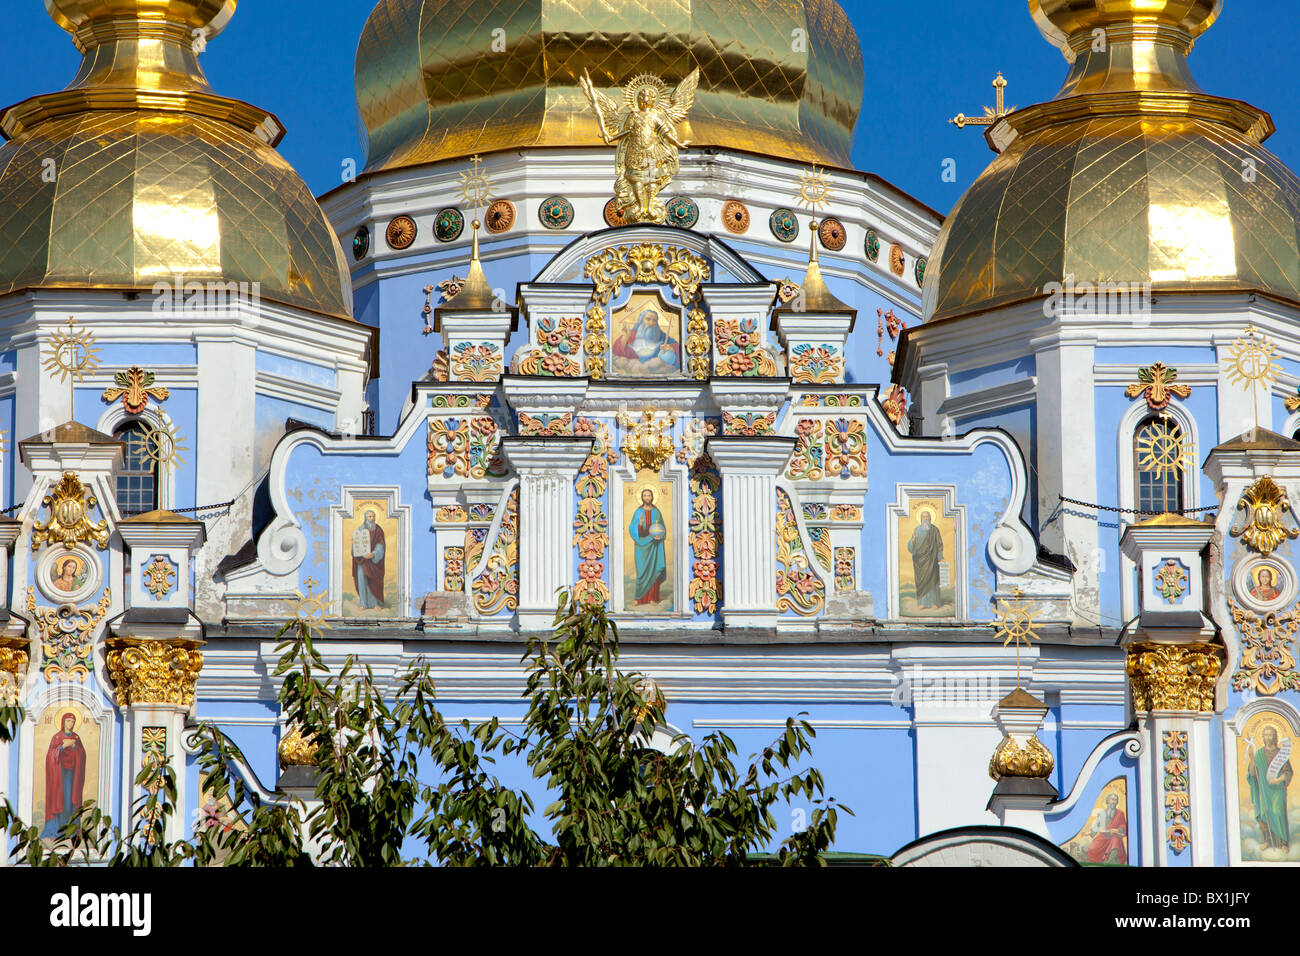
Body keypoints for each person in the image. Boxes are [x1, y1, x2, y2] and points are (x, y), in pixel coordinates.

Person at [41, 712, 87, 839]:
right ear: (63, 722)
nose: (70, 724)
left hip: (73, 776)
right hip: (59, 777)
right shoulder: (56, 738)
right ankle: (57, 830)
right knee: (60, 799)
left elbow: (82, 755)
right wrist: (62, 747)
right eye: (68, 721)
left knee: (70, 800)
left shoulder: (76, 738)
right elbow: (50, 757)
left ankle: (72, 830)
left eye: (72, 722)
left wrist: (75, 748)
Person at [1247, 724, 1292, 851]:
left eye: (1270, 734)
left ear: (1275, 736)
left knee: (1277, 811)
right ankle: (1267, 840)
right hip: (1264, 791)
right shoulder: (1259, 754)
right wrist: (1251, 758)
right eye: (1265, 734)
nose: (1268, 737)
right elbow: (1252, 774)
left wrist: (1277, 779)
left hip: (1278, 790)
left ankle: (1284, 842)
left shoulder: (1280, 754)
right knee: (1265, 811)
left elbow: (1288, 772)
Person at [627, 488, 667, 605]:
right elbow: (632, 528)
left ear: (652, 497)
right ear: (642, 497)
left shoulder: (657, 512)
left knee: (654, 570)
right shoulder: (638, 512)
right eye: (645, 495)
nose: (647, 497)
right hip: (641, 545)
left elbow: (662, 527)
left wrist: (660, 535)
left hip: (654, 544)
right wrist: (639, 524)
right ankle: (639, 598)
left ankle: (653, 598)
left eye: (649, 495)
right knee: (642, 572)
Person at [612, 308, 679, 370]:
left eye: (654, 320)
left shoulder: (661, 335)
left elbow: (676, 346)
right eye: (648, 319)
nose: (651, 323)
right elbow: (616, 351)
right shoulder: (631, 334)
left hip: (655, 367)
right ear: (641, 320)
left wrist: (671, 348)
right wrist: (625, 337)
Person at [908, 510, 943, 609]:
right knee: (922, 582)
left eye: (927, 516)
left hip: (932, 561)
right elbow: (911, 547)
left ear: (930, 518)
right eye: (923, 517)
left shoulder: (934, 530)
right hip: (920, 561)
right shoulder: (917, 530)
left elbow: (939, 544)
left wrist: (940, 557)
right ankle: (922, 603)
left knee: (933, 580)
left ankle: (934, 603)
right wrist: (914, 540)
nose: (925, 518)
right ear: (921, 518)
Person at [351, 510, 386, 609]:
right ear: (366, 518)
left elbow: (381, 545)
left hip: (374, 562)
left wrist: (373, 554)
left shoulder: (378, 530)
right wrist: (355, 547)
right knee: (362, 581)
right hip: (361, 561)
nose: (372, 518)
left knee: (373, 581)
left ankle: (376, 603)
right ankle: (363, 603)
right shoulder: (360, 529)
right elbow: (355, 545)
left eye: (373, 516)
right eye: (369, 516)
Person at [1086, 792, 1128, 864]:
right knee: (1092, 847)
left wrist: (1117, 830)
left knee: (1115, 841)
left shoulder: (1120, 813)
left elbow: (1123, 825)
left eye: (1115, 800)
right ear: (1108, 800)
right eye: (1112, 799)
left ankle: (1110, 862)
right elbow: (1097, 825)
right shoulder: (1102, 813)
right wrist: (1090, 832)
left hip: (1114, 835)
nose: (1113, 802)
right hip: (1104, 836)